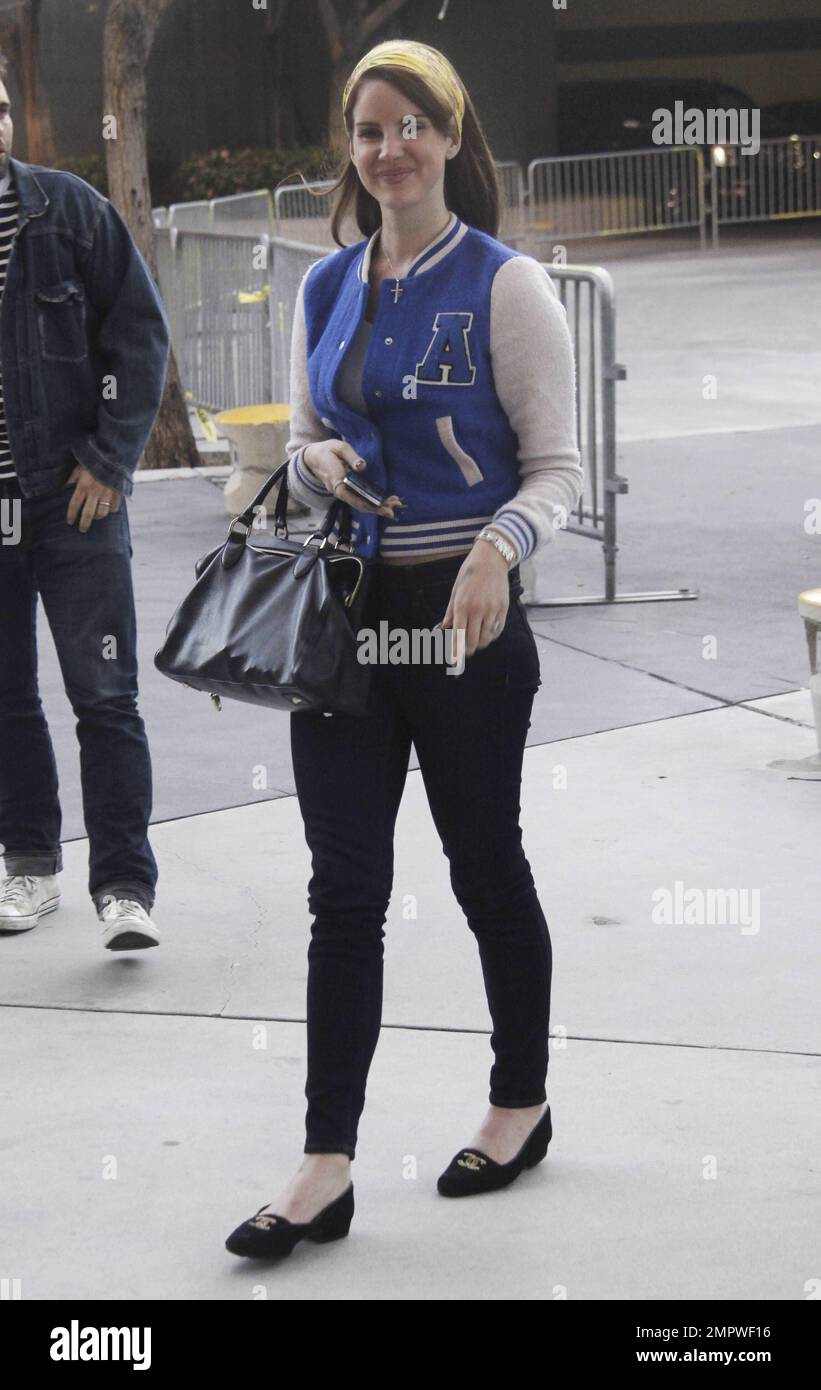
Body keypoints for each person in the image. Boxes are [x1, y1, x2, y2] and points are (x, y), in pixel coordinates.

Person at [225, 39, 583, 1260]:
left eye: (409, 125)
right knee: (343, 894)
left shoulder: (502, 284)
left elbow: (557, 471)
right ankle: (325, 1165)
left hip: (465, 625)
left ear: (450, 134)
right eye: (367, 131)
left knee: (484, 865)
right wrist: (316, 460)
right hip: (347, 623)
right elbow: (315, 432)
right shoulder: (324, 285)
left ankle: (518, 1101)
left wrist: (496, 549)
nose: (387, 150)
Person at [0, 60, 170, 951]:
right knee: (5, 701)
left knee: (104, 696)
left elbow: (138, 332)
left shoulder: (65, 211)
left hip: (75, 504)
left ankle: (125, 887)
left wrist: (110, 459)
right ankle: (30, 868)